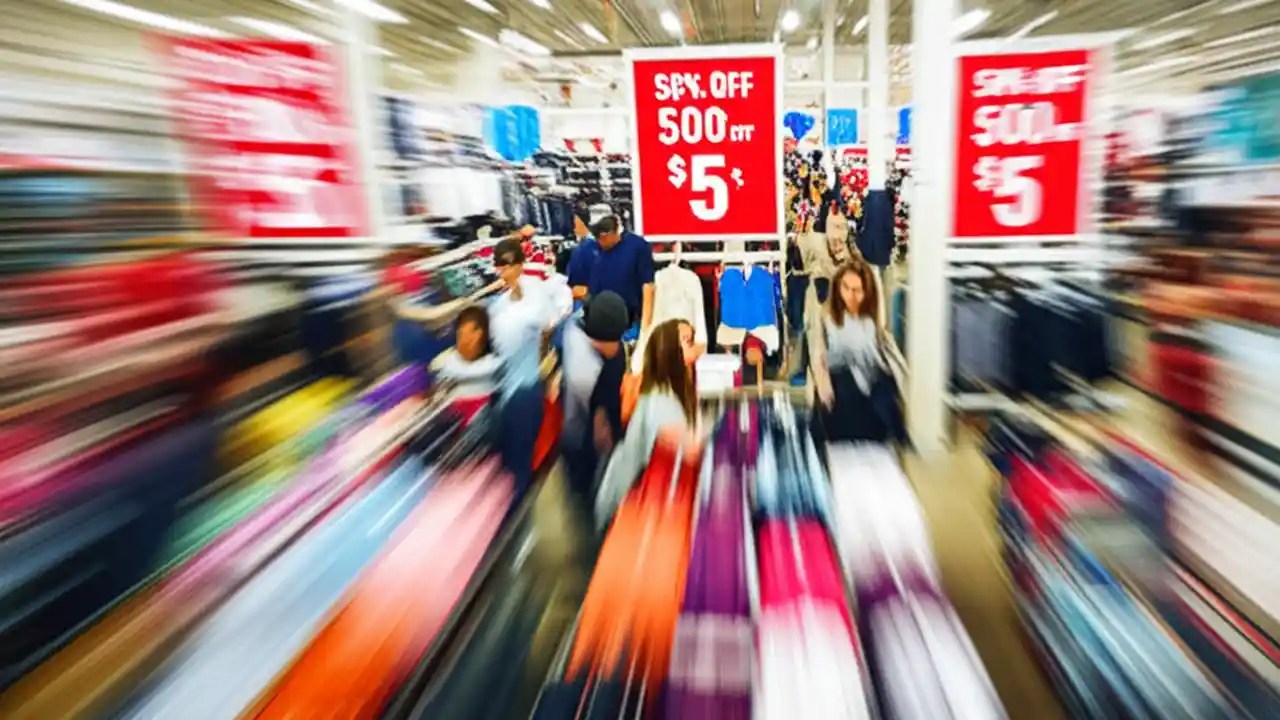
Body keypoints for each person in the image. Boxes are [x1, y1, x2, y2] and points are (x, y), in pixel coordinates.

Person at [595, 319, 697, 529]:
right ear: (669, 351)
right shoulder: (662, 402)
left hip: (632, 494)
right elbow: (673, 454)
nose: (692, 347)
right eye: (686, 341)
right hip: (629, 505)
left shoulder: (664, 391)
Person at [810, 260, 905, 444]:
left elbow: (883, 360)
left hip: (870, 399)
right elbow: (818, 355)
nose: (850, 295)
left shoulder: (873, 322)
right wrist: (822, 379)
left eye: (857, 290)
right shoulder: (826, 318)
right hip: (839, 395)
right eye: (845, 287)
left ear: (866, 292)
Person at [488, 236, 555, 493]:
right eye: (498, 265)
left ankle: (519, 502)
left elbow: (547, 329)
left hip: (526, 388)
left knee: (521, 457)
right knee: (508, 456)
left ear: (520, 264)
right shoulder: (498, 306)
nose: (502, 270)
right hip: (504, 388)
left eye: (506, 264)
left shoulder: (536, 294)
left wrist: (542, 368)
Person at [560, 291, 632, 507]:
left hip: (597, 418)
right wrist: (603, 423)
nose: (615, 348)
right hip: (581, 437)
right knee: (586, 493)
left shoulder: (580, 322)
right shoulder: (584, 369)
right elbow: (593, 408)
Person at [566, 214, 656, 338]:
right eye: (596, 236)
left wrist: (646, 326)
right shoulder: (585, 250)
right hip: (594, 322)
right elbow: (574, 289)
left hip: (629, 322)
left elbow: (648, 286)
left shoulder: (637, 247)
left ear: (614, 231)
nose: (599, 241)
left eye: (603, 237)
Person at [429, 305, 499, 426]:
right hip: (450, 416)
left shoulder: (493, 364)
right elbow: (437, 390)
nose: (464, 341)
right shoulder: (448, 361)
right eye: (460, 335)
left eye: (470, 335)